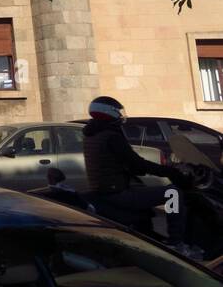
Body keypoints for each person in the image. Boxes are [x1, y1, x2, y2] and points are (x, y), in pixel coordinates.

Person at [82, 95, 200, 257]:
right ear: (108, 113)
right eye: (118, 112)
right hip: (118, 193)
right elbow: (137, 163)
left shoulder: (92, 134)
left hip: (105, 190)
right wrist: (171, 172)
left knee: (146, 190)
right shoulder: (112, 136)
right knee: (174, 193)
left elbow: (121, 163)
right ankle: (176, 242)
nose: (121, 115)